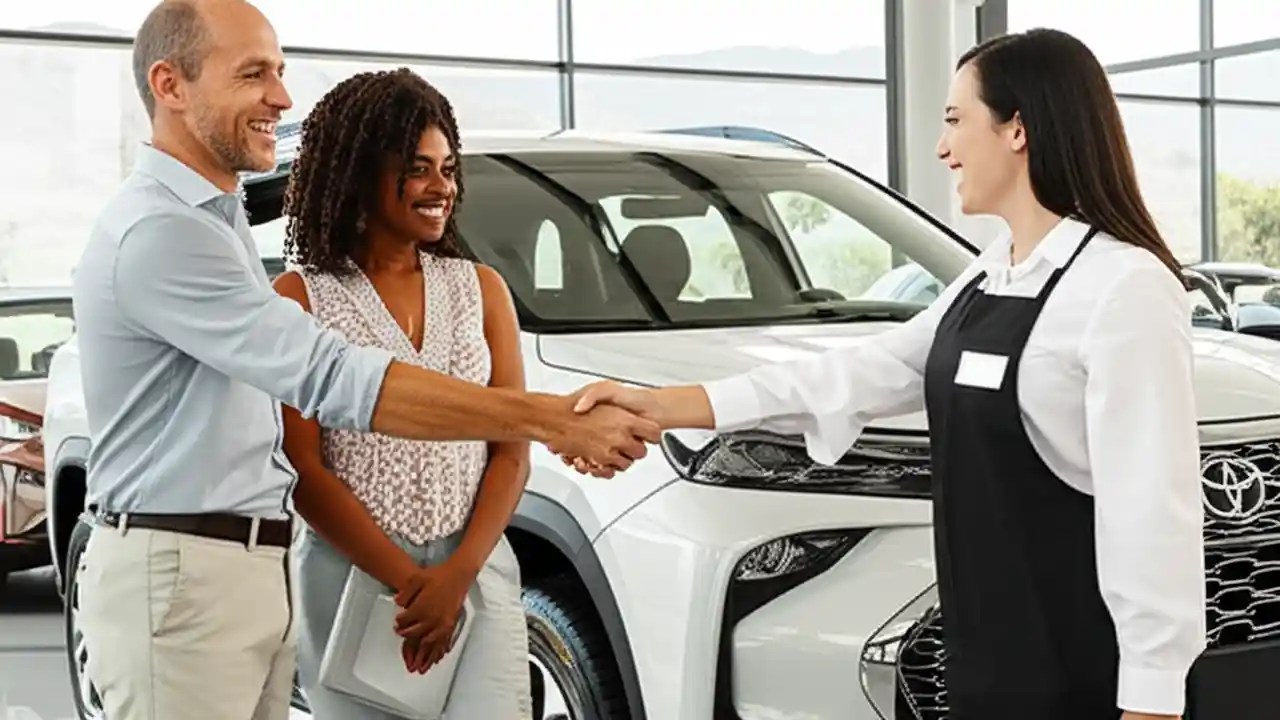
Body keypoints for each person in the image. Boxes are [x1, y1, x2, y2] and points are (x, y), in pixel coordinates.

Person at [569, 29, 1206, 720]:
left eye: (956, 120)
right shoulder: (993, 272)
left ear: (1017, 129)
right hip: (985, 662)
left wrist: (1152, 700)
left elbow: (1150, 518)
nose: (942, 147)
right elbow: (862, 372)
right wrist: (665, 404)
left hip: (1079, 676)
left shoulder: (1123, 286)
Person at [70, 1, 657, 719]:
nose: (282, 97)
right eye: (254, 73)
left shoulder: (212, 223)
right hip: (186, 575)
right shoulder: (163, 234)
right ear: (170, 84)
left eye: (281, 73)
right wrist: (550, 418)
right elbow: (330, 379)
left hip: (241, 573)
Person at [272, 68, 531, 718]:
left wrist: (456, 577)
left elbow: (511, 450)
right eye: (418, 168)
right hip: (348, 574)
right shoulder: (300, 299)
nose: (440, 186)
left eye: (446, 168)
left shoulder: (483, 290)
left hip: (475, 570)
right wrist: (411, 582)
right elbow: (302, 467)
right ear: (359, 171)